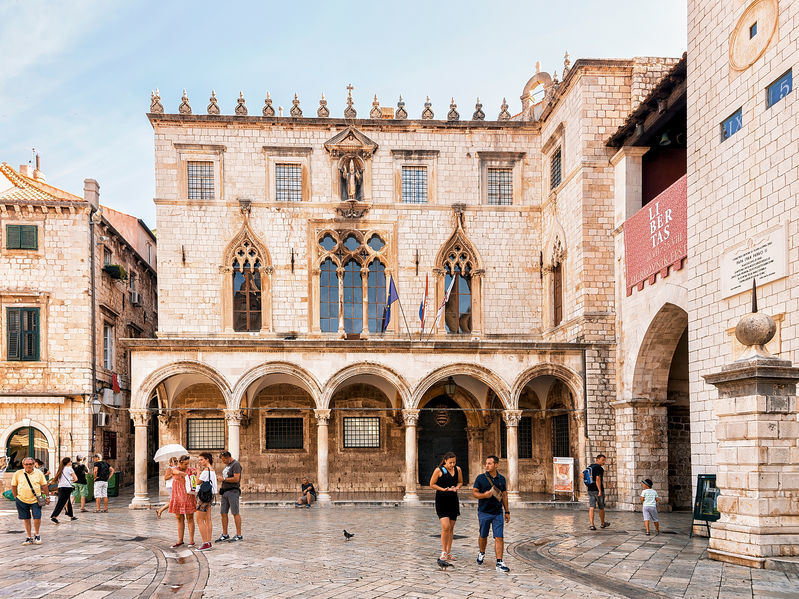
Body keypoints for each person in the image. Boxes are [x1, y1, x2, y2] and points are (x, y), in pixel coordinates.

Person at [472, 455, 510, 572]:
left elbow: (504, 495)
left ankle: (499, 562)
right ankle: (481, 552)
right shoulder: (480, 478)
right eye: (486, 463)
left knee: (499, 537)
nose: (487, 465)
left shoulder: (501, 479)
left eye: (489, 463)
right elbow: (474, 493)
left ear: (496, 465)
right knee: (483, 535)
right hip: (484, 512)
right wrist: (484, 495)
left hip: (497, 513)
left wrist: (507, 511)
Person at [429, 451, 462, 563]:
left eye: (454, 462)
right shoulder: (438, 470)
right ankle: (443, 551)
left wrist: (456, 487)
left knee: (451, 528)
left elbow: (460, 482)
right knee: (446, 526)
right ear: (445, 461)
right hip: (442, 500)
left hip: (453, 500)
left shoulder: (458, 469)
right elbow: (432, 484)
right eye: (450, 463)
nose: (452, 465)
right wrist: (443, 489)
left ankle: (448, 552)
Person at [11, 457, 48, 545]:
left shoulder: (39, 473)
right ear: (23, 465)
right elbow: (14, 485)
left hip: (36, 499)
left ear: (33, 464)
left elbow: (44, 485)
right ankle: (28, 537)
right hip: (22, 499)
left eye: (30, 464)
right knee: (26, 518)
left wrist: (47, 497)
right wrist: (16, 497)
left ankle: (37, 534)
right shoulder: (18, 473)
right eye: (26, 464)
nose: (28, 466)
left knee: (37, 517)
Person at [165, 455, 196, 548]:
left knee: (190, 518)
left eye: (188, 464)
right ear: (180, 462)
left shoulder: (191, 470)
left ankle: (191, 540)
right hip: (177, 497)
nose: (187, 466)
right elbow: (175, 472)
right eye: (185, 464)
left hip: (188, 497)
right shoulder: (174, 469)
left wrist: (195, 472)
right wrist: (185, 474)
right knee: (179, 518)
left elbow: (196, 473)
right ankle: (180, 540)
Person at [217, 451, 243, 542]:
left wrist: (223, 479)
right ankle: (225, 534)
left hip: (233, 491)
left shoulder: (236, 465)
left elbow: (236, 479)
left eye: (224, 459)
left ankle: (239, 535)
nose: (223, 461)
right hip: (225, 492)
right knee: (223, 513)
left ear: (228, 457)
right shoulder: (227, 465)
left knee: (235, 512)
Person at [194, 452, 218, 551]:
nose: (200, 461)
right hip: (210, 495)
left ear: (207, 459)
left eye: (201, 459)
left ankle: (205, 543)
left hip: (203, 497)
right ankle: (208, 541)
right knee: (208, 519)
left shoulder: (205, 471)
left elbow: (197, 482)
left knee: (199, 519)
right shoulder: (212, 470)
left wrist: (198, 472)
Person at [50, 457, 78, 523]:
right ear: (68, 462)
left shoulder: (61, 469)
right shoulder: (69, 469)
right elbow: (76, 478)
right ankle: (54, 516)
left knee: (67, 501)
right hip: (67, 487)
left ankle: (71, 516)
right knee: (61, 502)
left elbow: (58, 479)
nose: (71, 462)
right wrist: (71, 480)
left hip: (60, 487)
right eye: (70, 461)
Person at [586, 454, 610, 531]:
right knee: (601, 507)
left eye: (604, 460)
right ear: (597, 460)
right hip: (598, 490)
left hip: (590, 489)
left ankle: (592, 525)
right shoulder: (599, 468)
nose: (604, 462)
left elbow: (582, 475)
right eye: (602, 460)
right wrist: (599, 490)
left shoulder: (590, 467)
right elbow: (598, 479)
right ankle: (602, 523)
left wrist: (589, 484)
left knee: (592, 507)